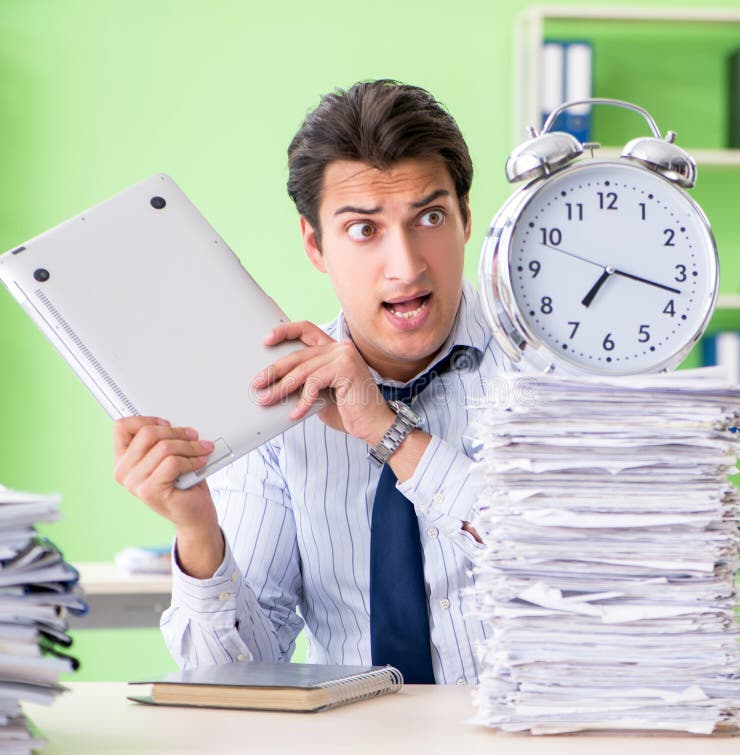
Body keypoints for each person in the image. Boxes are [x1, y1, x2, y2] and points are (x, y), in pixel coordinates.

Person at [112, 79, 514, 685]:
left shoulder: (550, 374)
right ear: (315, 244)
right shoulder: (276, 406)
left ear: (465, 220)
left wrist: (387, 432)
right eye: (363, 229)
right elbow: (237, 676)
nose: (405, 266)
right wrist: (198, 532)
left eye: (429, 217)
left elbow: (579, 580)